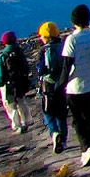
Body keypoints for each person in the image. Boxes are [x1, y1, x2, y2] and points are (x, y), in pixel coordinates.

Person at [60, 3, 90, 166]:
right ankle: (88, 147)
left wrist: (59, 87)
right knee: (88, 120)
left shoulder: (71, 40)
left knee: (78, 121)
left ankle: (86, 149)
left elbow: (66, 67)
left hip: (74, 88)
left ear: (73, 21)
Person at [35, 21, 68, 154]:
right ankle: (63, 140)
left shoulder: (44, 50)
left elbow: (41, 70)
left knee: (48, 112)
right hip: (62, 84)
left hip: (48, 85)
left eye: (41, 36)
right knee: (61, 114)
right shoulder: (63, 46)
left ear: (46, 37)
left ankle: (54, 133)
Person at [0, 30, 32, 134]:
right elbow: (26, 68)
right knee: (21, 102)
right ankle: (26, 121)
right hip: (20, 83)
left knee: (10, 106)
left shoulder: (3, 56)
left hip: (8, 85)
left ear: (4, 42)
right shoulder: (19, 53)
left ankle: (17, 125)